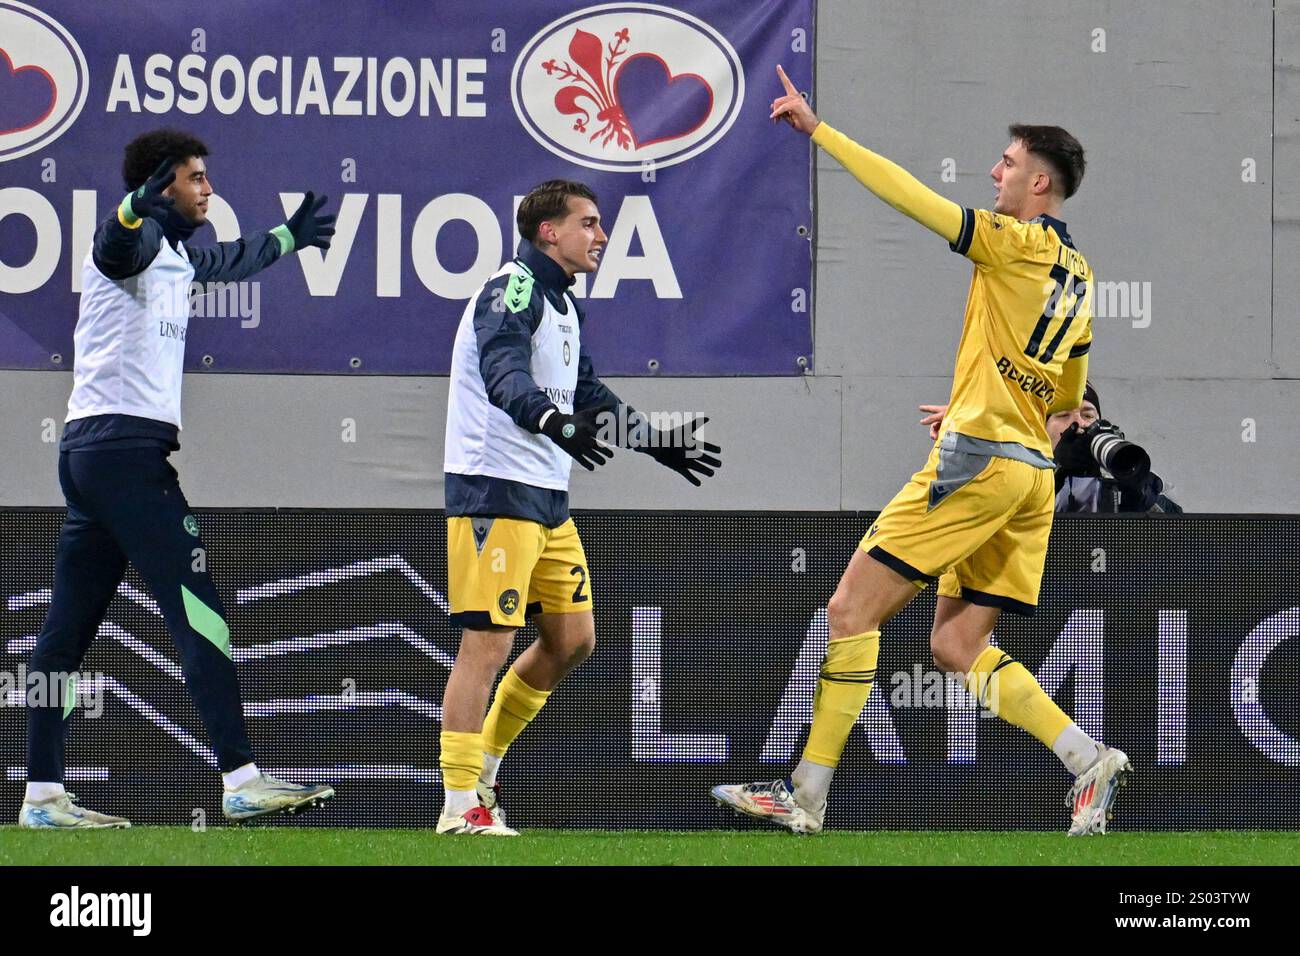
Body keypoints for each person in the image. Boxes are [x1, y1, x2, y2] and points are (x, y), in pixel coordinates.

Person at [712, 67, 1130, 836]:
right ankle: (1088, 759)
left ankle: (806, 796)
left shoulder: (1009, 241)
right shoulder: (1080, 273)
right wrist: (985, 403)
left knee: (848, 610)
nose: (994, 173)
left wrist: (818, 130)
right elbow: (1069, 391)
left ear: (1040, 182)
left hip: (977, 466)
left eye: (1006, 163)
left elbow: (909, 195)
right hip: (1030, 478)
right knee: (956, 644)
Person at [20, 129, 338, 829]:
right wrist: (135, 201)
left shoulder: (173, 254)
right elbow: (114, 239)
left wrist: (288, 236)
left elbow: (231, 258)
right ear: (164, 184)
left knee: (62, 637)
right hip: (125, 455)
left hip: (92, 456)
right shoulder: (129, 244)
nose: (208, 189)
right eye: (196, 178)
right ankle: (241, 778)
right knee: (200, 610)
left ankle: (42, 794)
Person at [439, 179, 721, 836]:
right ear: (549, 232)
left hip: (545, 498)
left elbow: (586, 393)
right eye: (589, 223)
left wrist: (657, 443)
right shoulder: (511, 289)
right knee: (486, 645)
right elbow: (504, 373)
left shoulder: (564, 303)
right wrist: (555, 423)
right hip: (495, 491)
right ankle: (458, 807)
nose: (599, 236)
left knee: (572, 640)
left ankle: (484, 771)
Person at [923, 381, 1182, 513]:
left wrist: (1138, 494)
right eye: (1062, 416)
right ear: (1041, 429)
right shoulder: (1015, 477)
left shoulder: (1119, 483)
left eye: (1088, 414)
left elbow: (1178, 542)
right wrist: (1057, 470)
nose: (1078, 424)